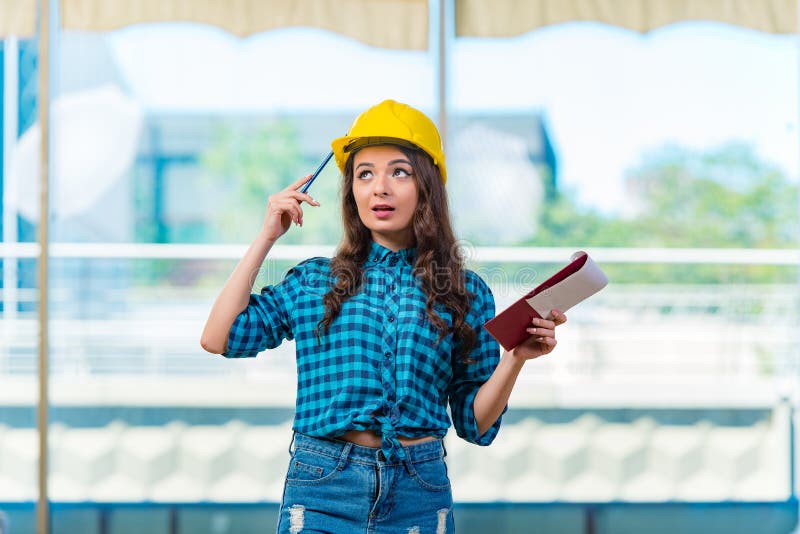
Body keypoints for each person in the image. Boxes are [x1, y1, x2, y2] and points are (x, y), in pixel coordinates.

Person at [201, 99, 566, 533]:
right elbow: (220, 337)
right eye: (365, 174)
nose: (379, 188)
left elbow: (475, 424)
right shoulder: (314, 281)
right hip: (322, 489)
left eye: (399, 172)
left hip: (418, 490)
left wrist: (515, 358)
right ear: (351, 191)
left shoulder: (465, 293)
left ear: (426, 186)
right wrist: (266, 236)